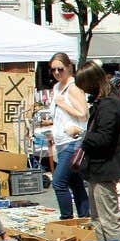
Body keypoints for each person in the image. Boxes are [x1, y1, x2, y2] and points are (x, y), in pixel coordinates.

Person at [76, 61, 120, 241]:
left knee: (109, 221)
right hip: (98, 169)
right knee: (98, 220)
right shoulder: (104, 103)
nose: (83, 91)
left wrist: (82, 134)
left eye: (83, 86)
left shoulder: (108, 105)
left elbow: (104, 139)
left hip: (105, 169)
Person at [47, 51, 90, 221]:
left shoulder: (73, 88)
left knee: (58, 182)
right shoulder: (57, 87)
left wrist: (64, 105)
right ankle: (84, 218)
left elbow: (84, 114)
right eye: (53, 70)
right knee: (75, 182)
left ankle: (67, 219)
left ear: (69, 68)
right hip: (61, 141)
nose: (57, 73)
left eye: (60, 69)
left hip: (73, 141)